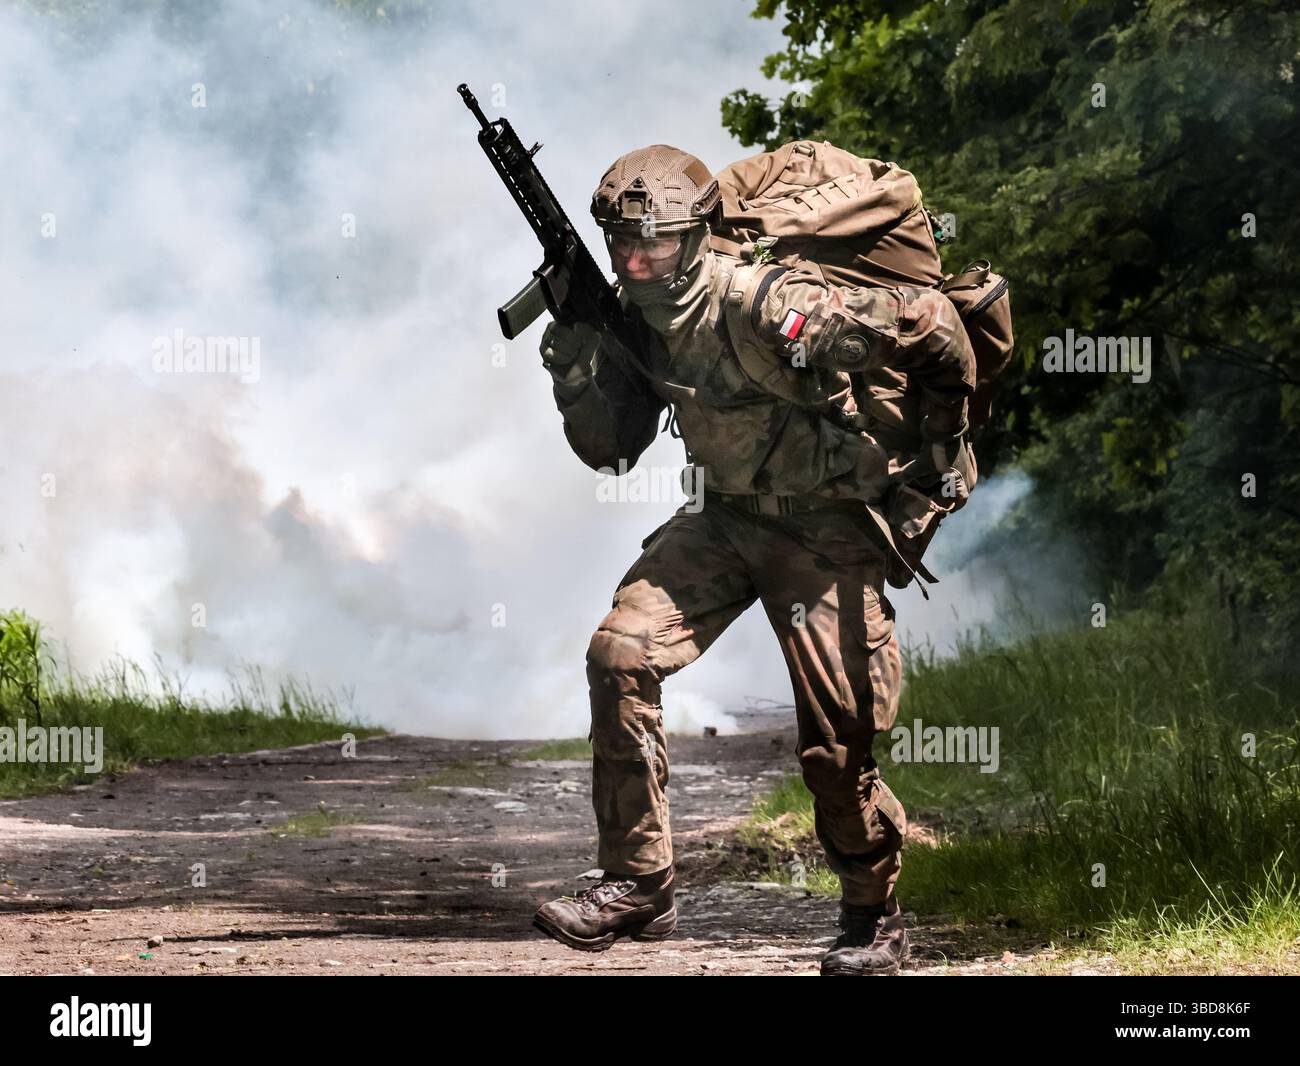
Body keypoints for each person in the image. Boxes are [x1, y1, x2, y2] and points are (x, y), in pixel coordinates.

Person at [529, 144, 976, 975]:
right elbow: (611, 453)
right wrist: (577, 368)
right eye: (620, 246)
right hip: (722, 518)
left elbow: (935, 329)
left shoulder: (773, 306)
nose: (634, 262)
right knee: (620, 653)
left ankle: (874, 916)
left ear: (696, 235)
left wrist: (942, 453)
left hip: (824, 528)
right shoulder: (634, 315)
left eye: (653, 245)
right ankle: (638, 882)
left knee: (837, 748)